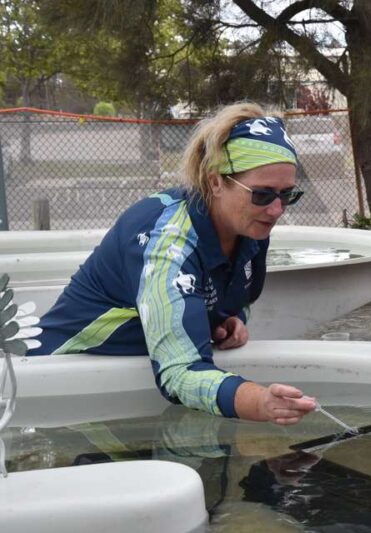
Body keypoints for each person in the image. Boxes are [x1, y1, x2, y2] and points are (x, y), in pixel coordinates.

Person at [30, 103, 317, 423]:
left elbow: (235, 295)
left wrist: (229, 319)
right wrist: (260, 402)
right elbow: (180, 374)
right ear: (215, 182)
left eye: (288, 195)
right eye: (262, 194)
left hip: (128, 386)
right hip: (55, 393)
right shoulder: (166, 243)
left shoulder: (249, 228)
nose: (277, 210)